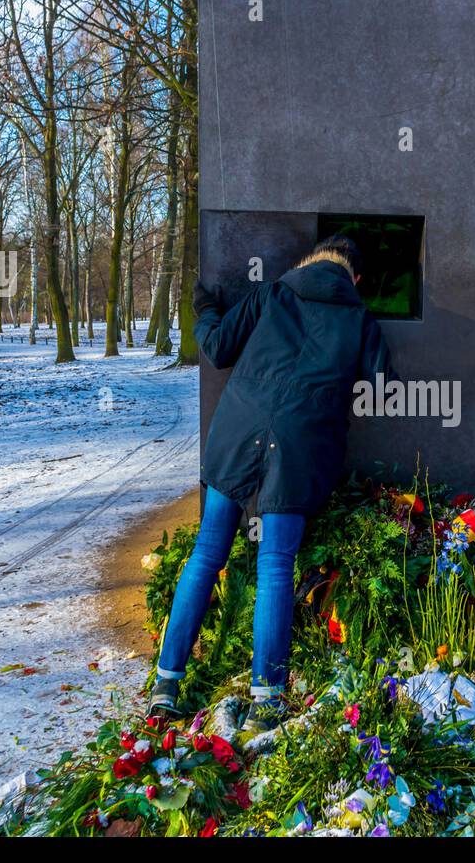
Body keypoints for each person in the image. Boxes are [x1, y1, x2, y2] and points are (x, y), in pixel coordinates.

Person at [148, 235, 395, 732]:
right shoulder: (358, 318)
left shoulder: (273, 294)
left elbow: (216, 348)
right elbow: (383, 385)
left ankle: (167, 684)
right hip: (301, 448)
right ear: (357, 279)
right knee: (276, 567)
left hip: (237, 435)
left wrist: (205, 307)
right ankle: (267, 700)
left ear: (311, 260)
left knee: (206, 553)